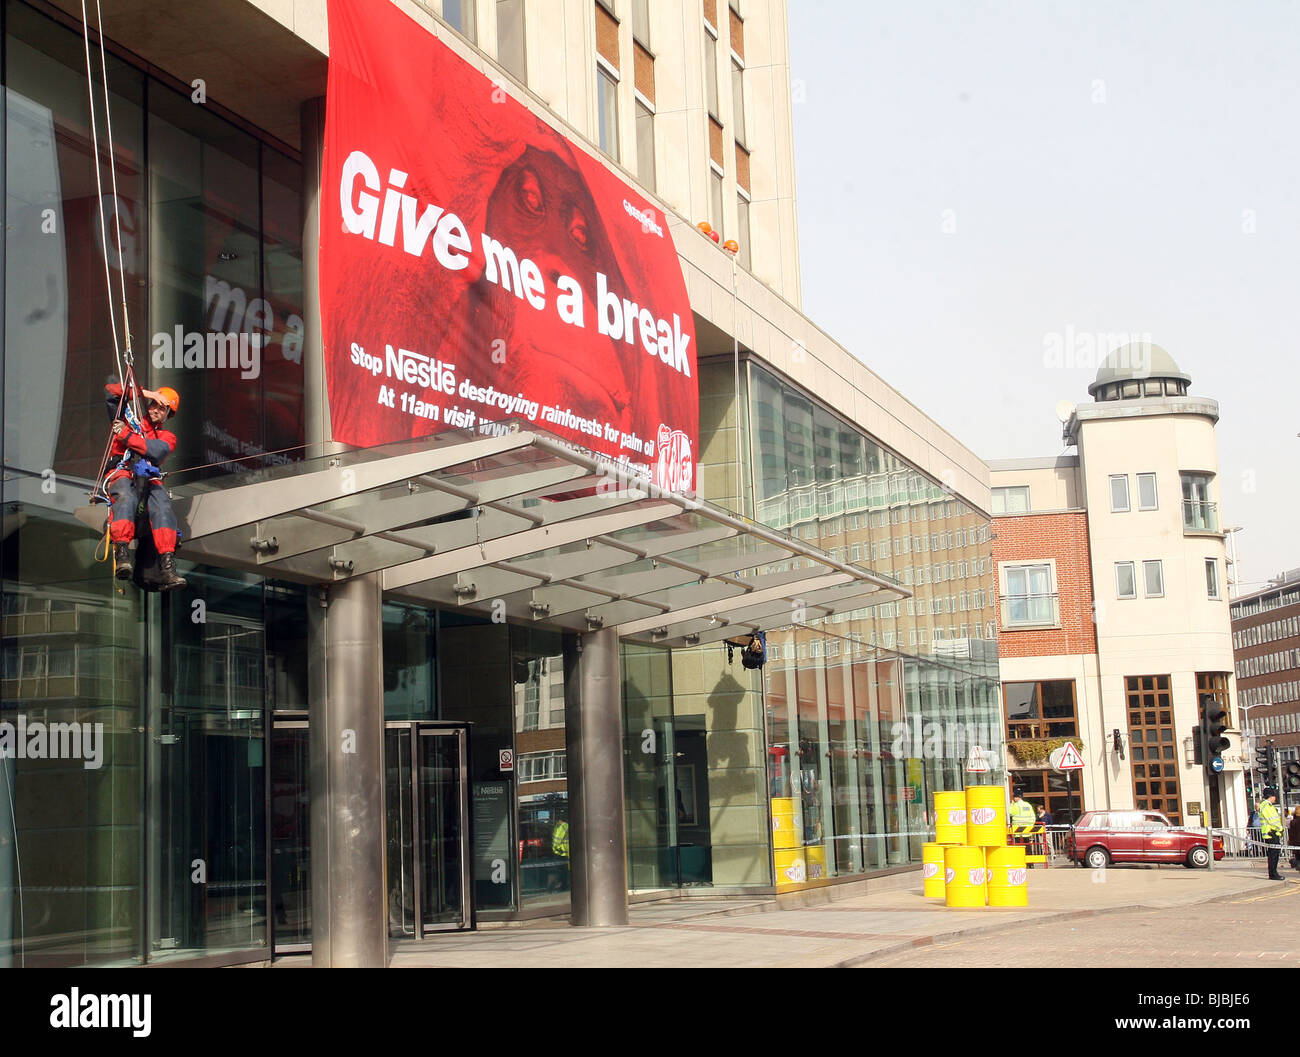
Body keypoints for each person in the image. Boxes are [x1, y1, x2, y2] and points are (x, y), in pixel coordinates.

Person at [104, 380, 186, 590]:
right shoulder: (129, 420)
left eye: (163, 408)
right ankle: (122, 553)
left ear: (169, 415)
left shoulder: (167, 437)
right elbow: (111, 393)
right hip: (123, 472)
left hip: (148, 478)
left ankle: (167, 566)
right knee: (125, 495)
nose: (157, 409)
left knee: (163, 506)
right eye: (154, 404)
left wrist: (125, 435)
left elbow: (155, 450)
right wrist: (148, 393)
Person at [1258, 788, 1284, 880]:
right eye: (1274, 796)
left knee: (1275, 854)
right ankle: (1273, 874)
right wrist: (1280, 828)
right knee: (1273, 855)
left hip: (1273, 833)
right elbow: (1272, 820)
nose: (1275, 798)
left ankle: (1274, 873)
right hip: (1271, 833)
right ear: (1270, 796)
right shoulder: (1266, 806)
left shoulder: (1268, 805)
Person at [1289, 806, 1300, 873]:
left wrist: (1290, 842)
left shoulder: (1293, 822)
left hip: (1296, 844)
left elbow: (1291, 834)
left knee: (1298, 858)